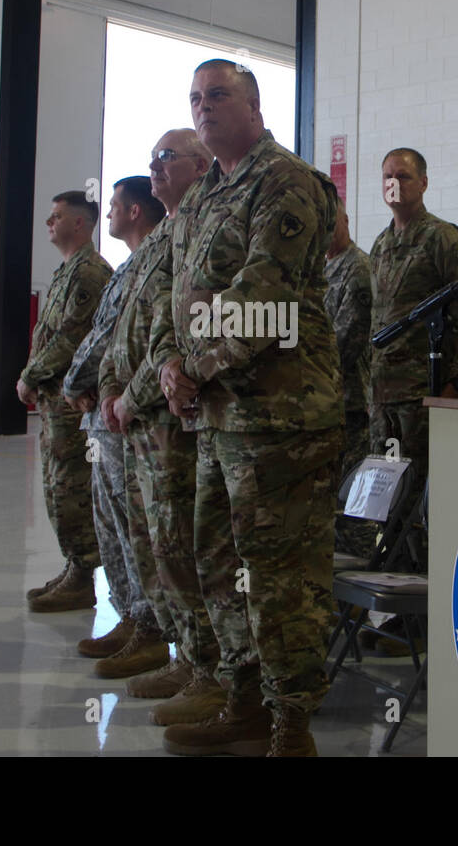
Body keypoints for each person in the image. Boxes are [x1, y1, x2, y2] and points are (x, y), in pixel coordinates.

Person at [152, 59, 343, 756]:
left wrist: (196, 363)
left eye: (219, 95)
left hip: (282, 417)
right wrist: (175, 362)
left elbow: (263, 306)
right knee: (218, 561)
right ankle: (245, 699)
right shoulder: (206, 194)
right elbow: (188, 297)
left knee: (280, 577)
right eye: (196, 98)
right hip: (220, 415)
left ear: (255, 105)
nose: (204, 107)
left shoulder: (286, 181)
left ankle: (293, 725)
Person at [97, 129, 226, 726]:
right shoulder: (158, 241)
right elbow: (131, 329)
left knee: (181, 547)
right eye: (151, 159)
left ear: (200, 168)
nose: (154, 168)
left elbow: (180, 333)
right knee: (153, 545)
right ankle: (179, 649)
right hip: (138, 418)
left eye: (166, 158)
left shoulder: (199, 232)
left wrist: (133, 396)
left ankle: (210, 667)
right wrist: (108, 388)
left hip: (170, 419)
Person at [62, 176, 166, 676]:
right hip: (104, 411)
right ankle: (129, 616)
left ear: (136, 213)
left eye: (115, 207)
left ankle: (149, 625)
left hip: (134, 415)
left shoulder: (156, 260)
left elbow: (114, 336)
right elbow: (107, 336)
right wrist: (87, 385)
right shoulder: (128, 267)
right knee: (111, 524)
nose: (109, 214)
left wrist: (75, 381)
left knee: (136, 527)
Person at [17, 191, 113, 612]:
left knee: (72, 488)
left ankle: (82, 574)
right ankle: (74, 566)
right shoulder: (65, 272)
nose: (48, 223)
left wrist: (29, 377)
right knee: (57, 487)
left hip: (73, 403)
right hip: (54, 402)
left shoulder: (90, 274)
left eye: (56, 217)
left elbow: (71, 339)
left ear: (80, 223)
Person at [369, 147, 458, 507]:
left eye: (403, 176)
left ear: (424, 183)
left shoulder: (443, 239)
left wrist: (453, 381)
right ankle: (389, 561)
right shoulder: (380, 245)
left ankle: (422, 564)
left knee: (421, 492)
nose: (394, 183)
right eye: (388, 176)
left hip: (422, 391)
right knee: (384, 491)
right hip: (383, 393)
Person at [323, 199, 375, 556]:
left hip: (349, 405)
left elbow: (346, 340)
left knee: (352, 510)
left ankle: (356, 605)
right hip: (323, 406)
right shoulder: (319, 272)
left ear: (346, 219)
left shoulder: (357, 268)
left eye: (332, 220)